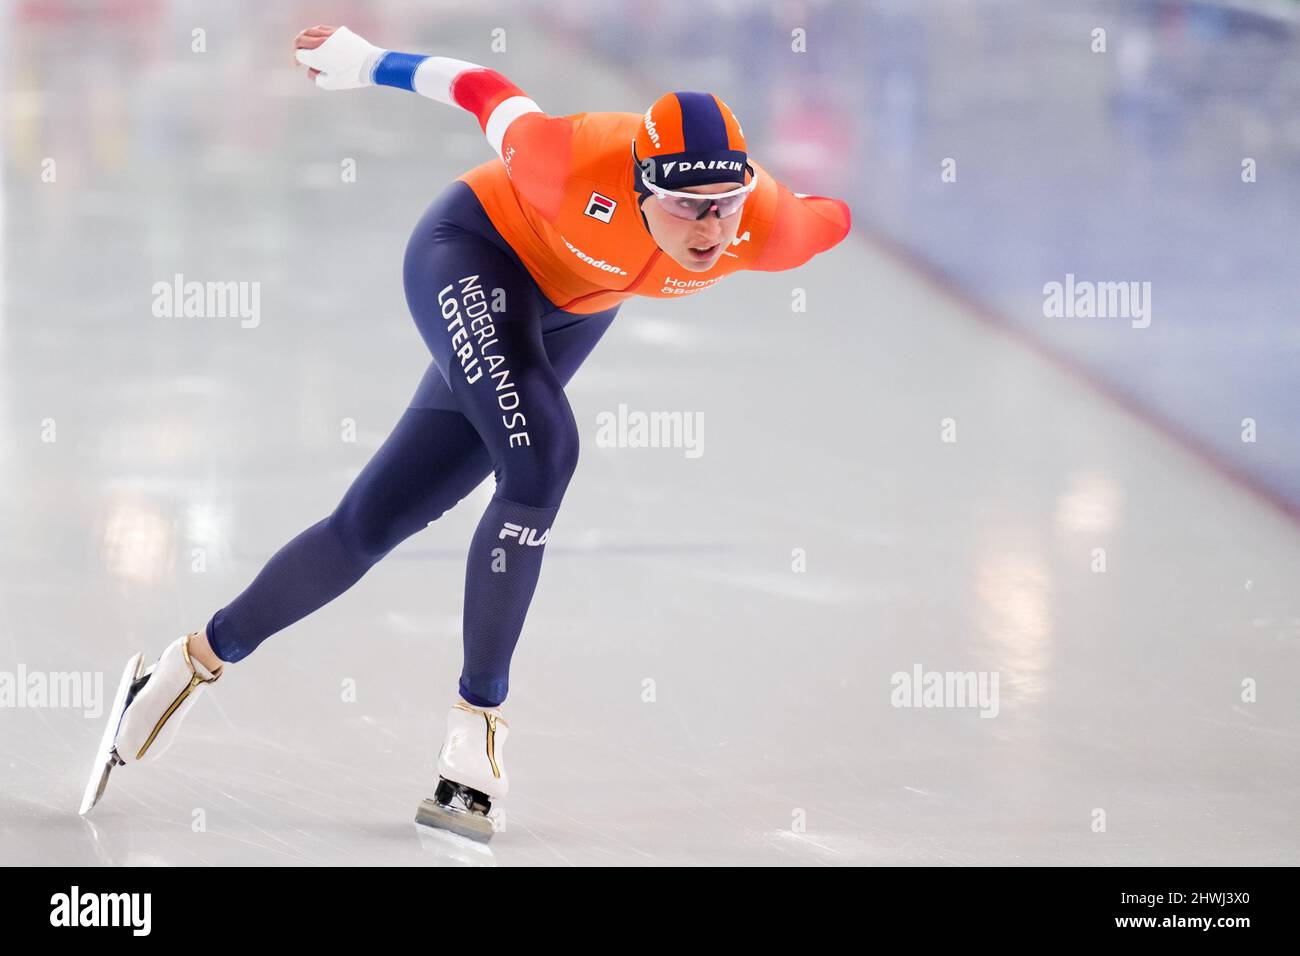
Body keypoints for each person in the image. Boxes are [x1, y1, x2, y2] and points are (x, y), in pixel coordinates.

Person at [80, 24, 852, 841]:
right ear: (635, 188)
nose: (708, 229)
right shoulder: (567, 159)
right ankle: (476, 734)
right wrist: (367, 62)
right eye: (686, 206)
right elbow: (481, 85)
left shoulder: (766, 228)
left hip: (565, 316)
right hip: (473, 253)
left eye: (723, 205)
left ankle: (190, 662)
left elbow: (831, 214)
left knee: (372, 522)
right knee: (543, 457)